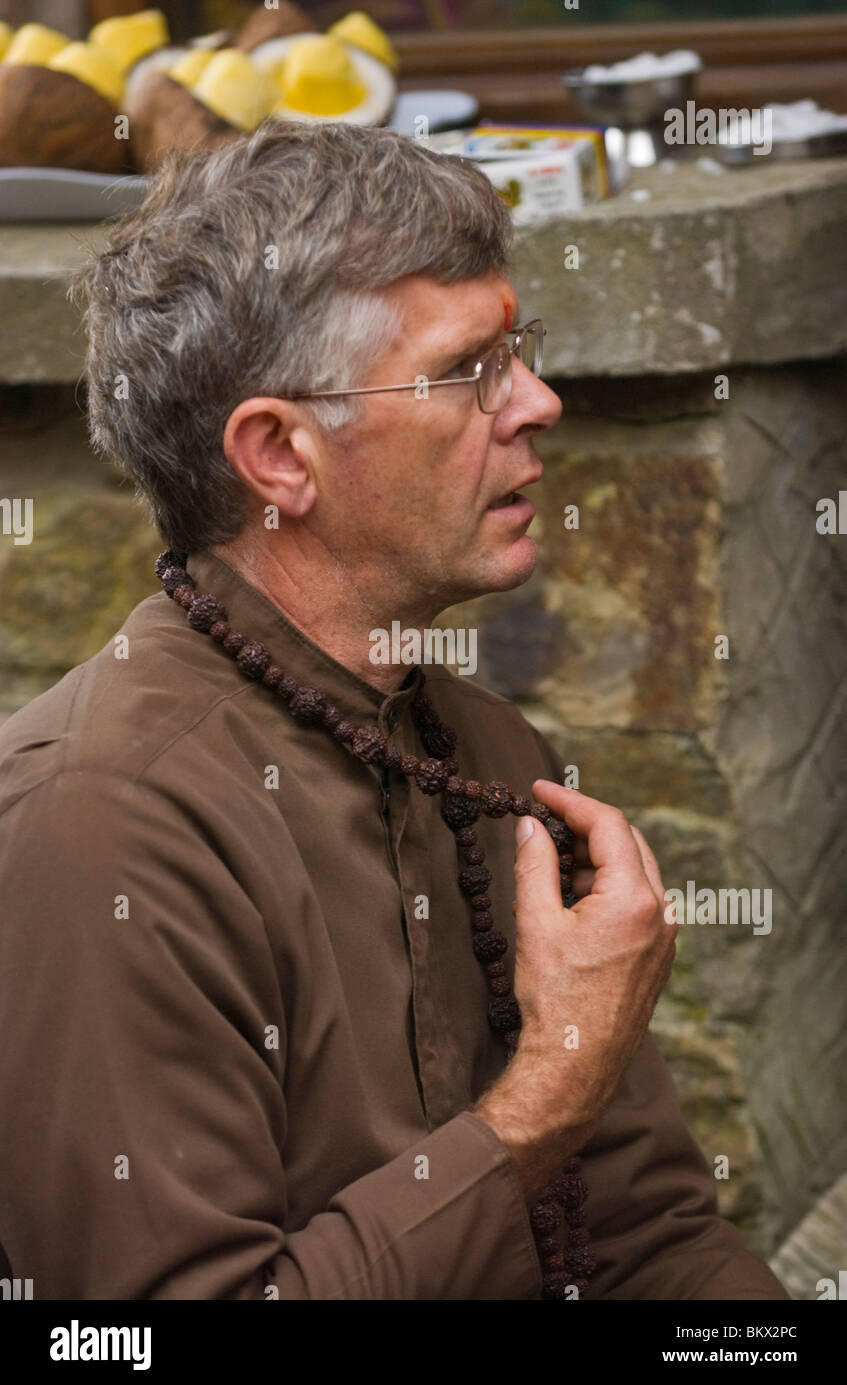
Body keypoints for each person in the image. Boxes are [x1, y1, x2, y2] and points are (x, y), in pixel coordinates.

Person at [0, 122, 788, 1300]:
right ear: (280, 455)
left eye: (520, 348)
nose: (538, 401)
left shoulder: (490, 753)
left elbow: (650, 1236)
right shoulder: (95, 828)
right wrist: (536, 1109)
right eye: (472, 370)